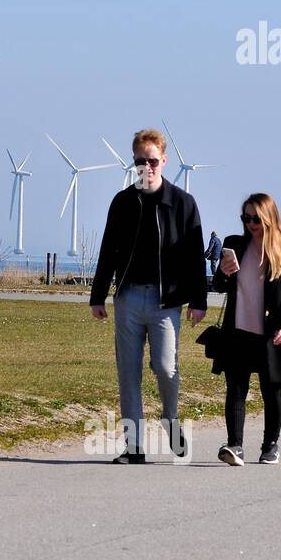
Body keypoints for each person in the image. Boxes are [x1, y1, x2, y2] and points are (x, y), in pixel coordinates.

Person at [90, 128, 209, 463]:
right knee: (128, 373)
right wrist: (98, 296)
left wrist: (198, 300)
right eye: (140, 161)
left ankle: (170, 419)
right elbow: (108, 252)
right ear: (133, 162)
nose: (147, 167)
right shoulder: (123, 202)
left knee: (165, 368)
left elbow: (195, 256)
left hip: (165, 302)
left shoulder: (183, 204)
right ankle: (134, 447)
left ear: (164, 160)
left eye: (153, 160)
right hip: (128, 298)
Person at [211, 193, 281, 466]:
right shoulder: (234, 245)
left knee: (271, 391)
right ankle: (235, 446)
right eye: (245, 217)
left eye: (256, 218)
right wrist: (224, 272)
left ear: (269, 218)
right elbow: (218, 285)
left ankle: (270, 445)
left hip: (270, 333)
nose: (250, 223)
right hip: (238, 329)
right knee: (235, 390)